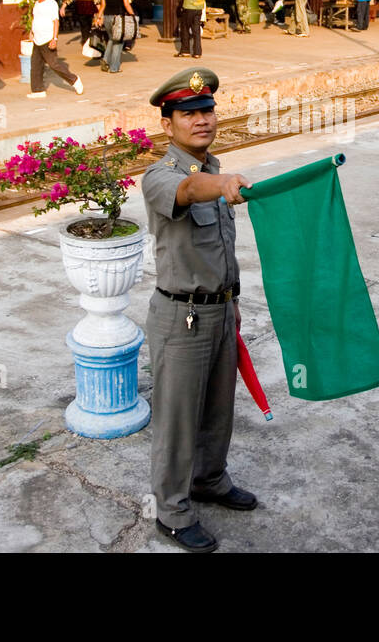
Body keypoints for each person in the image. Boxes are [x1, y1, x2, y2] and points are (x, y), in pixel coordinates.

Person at [143, 67, 257, 553]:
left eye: (206, 110)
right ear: (167, 124)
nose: (201, 120)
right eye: (188, 113)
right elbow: (188, 194)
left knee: (218, 409)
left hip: (221, 310)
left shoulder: (215, 168)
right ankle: (171, 510)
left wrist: (231, 308)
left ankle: (209, 479)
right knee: (177, 418)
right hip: (180, 317)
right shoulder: (160, 176)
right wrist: (224, 181)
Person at [28, 0, 85, 98]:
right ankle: (38, 90)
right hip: (37, 39)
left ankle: (74, 80)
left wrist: (54, 39)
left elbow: (56, 22)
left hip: (47, 39)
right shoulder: (37, 4)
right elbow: (35, 19)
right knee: (35, 65)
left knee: (54, 65)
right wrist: (31, 32)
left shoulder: (51, 3)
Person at [94, 0, 136, 72]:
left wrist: (98, 17)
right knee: (118, 42)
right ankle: (114, 67)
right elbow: (126, 4)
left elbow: (103, 5)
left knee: (112, 39)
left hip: (107, 18)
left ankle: (105, 60)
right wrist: (133, 15)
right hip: (118, 18)